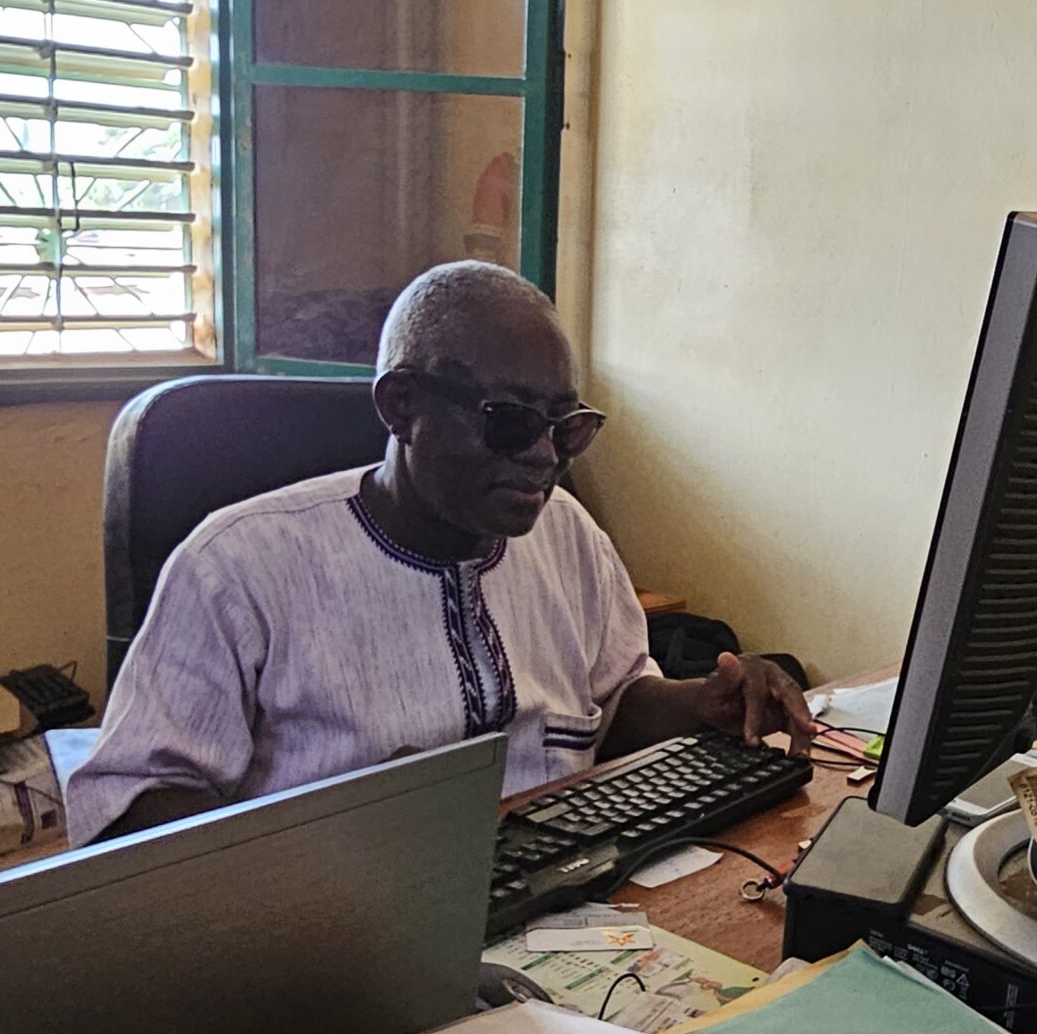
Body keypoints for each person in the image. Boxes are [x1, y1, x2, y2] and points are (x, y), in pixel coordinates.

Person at [67, 262, 814, 845]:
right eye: (510, 422)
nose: (545, 456)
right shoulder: (236, 569)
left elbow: (611, 705)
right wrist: (320, 844)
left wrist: (700, 703)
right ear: (402, 407)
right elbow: (130, 805)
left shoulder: (567, 534)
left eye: (566, 425)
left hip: (574, 892)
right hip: (338, 926)